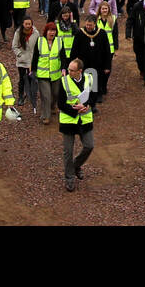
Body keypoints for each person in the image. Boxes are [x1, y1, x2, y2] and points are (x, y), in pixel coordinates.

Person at [59, 58, 95, 192]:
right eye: (69, 69)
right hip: (68, 120)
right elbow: (60, 104)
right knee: (68, 151)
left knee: (89, 146)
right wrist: (75, 110)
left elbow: (93, 96)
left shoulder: (89, 79)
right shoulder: (63, 81)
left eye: (72, 70)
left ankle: (76, 165)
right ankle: (69, 179)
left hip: (85, 120)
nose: (69, 72)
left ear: (80, 71)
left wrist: (86, 106)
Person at [71, 14, 112, 109]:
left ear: (95, 24)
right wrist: (73, 63)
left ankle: (92, 105)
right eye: (87, 25)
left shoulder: (102, 33)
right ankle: (84, 103)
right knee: (85, 85)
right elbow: (74, 50)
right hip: (84, 65)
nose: (88, 27)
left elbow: (107, 51)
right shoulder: (80, 33)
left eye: (91, 25)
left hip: (98, 64)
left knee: (95, 85)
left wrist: (107, 66)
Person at [35, 22, 66, 124]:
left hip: (56, 74)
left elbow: (63, 57)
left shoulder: (59, 41)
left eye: (54, 31)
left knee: (56, 93)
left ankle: (53, 106)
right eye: (50, 30)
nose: (52, 33)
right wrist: (32, 70)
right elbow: (35, 57)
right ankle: (46, 116)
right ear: (46, 31)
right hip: (42, 74)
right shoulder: (39, 41)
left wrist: (63, 69)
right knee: (46, 96)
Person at [13, 18, 40, 115]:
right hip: (22, 61)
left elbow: (38, 45)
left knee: (31, 78)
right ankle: (20, 96)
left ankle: (30, 95)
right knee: (22, 78)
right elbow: (14, 46)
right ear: (23, 24)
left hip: (32, 61)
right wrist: (20, 55)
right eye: (26, 23)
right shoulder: (18, 33)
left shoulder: (36, 33)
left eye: (29, 24)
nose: (28, 25)